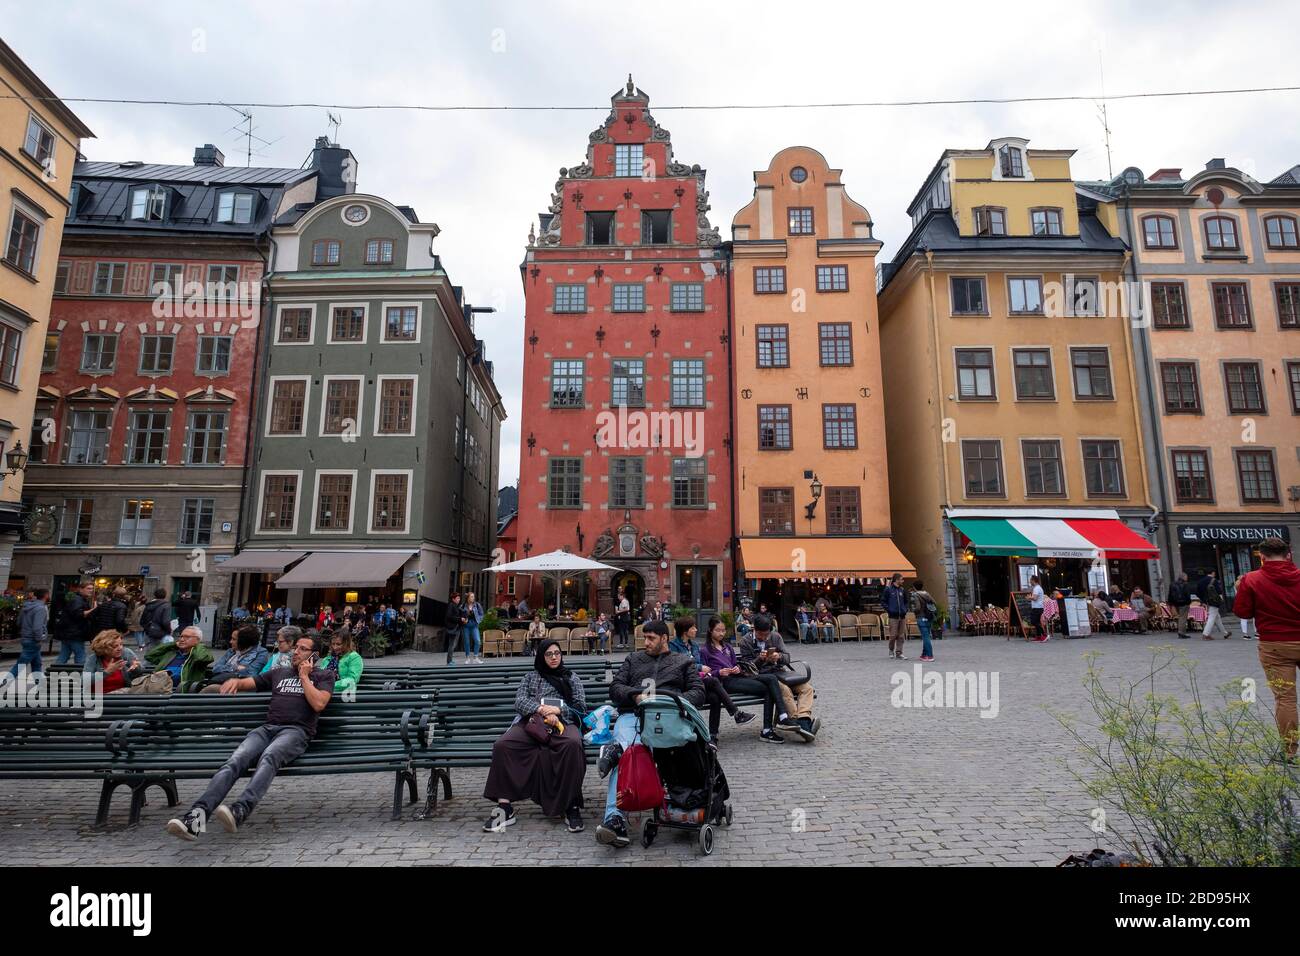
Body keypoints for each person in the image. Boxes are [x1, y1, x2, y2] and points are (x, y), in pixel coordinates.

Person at [165, 632, 335, 840]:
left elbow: (319, 703)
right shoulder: (279, 672)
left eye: (303, 649)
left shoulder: (323, 676)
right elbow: (251, 682)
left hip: (296, 732)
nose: (296, 652)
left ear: (314, 656)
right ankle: (195, 820)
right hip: (267, 729)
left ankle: (240, 810)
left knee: (269, 757)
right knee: (234, 761)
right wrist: (236, 682)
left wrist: (304, 677)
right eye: (296, 647)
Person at [594, 619, 704, 849]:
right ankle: (615, 820)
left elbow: (698, 692)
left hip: (666, 721)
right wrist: (634, 696)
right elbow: (615, 688)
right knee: (627, 753)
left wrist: (672, 703)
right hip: (633, 715)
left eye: (651, 638)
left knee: (627, 752)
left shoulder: (683, 661)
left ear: (665, 638)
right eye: (644, 637)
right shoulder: (634, 659)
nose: (646, 642)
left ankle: (615, 752)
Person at [482, 639, 587, 833]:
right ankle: (504, 807)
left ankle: (571, 805)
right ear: (541, 657)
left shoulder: (571, 678)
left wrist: (557, 712)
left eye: (557, 653)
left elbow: (580, 706)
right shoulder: (531, 677)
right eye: (549, 654)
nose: (554, 657)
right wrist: (540, 709)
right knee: (503, 745)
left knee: (573, 744)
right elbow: (520, 701)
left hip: (563, 724)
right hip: (532, 723)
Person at [1234, 538, 1300, 760]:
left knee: (1285, 699)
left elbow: (1243, 612)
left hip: (1275, 645)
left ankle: (1290, 751)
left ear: (1261, 557)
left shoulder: (1252, 579)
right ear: (1288, 554)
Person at [700, 615, 787, 742]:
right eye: (718, 630)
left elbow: (737, 665)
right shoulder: (705, 650)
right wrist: (719, 672)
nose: (721, 633)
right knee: (769, 686)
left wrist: (737, 669)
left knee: (770, 681)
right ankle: (775, 723)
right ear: (710, 631)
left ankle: (773, 725)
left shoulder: (728, 647)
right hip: (723, 683)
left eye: (723, 630)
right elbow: (705, 674)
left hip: (737, 678)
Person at [669, 615, 755, 742]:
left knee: (715, 697)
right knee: (714, 683)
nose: (696, 630)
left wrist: (700, 668)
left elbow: (696, 664)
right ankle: (736, 713)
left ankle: (713, 736)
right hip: (684, 684)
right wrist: (699, 667)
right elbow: (677, 665)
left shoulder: (694, 645)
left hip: (698, 682)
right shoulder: (673, 646)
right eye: (693, 628)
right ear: (685, 631)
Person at [739, 614, 818, 742]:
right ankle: (796, 722)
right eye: (761, 635)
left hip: (781, 673)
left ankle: (803, 719)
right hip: (763, 676)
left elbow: (787, 657)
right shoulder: (745, 641)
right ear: (755, 630)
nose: (765, 638)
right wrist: (760, 659)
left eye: (767, 635)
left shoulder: (776, 637)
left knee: (807, 688)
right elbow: (748, 668)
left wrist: (778, 657)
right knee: (785, 690)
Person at [145, 625, 214, 690]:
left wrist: (198, 645)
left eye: (187, 637)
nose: (182, 639)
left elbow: (201, 658)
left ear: (197, 640)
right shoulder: (171, 654)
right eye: (181, 636)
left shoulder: (199, 655)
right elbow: (149, 656)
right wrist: (173, 644)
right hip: (158, 688)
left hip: (180, 692)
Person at [203, 624, 269, 689]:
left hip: (241, 688)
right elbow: (216, 668)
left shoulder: (261, 653)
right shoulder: (231, 651)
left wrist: (227, 669)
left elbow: (250, 673)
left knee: (209, 689)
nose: (230, 641)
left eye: (234, 639)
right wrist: (235, 667)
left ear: (244, 641)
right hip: (220, 681)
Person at [7, 587, 50, 682]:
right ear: (46, 595)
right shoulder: (40, 608)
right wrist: (39, 639)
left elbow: (19, 622)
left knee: (37, 663)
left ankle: (38, 684)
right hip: (33, 640)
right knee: (20, 665)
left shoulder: (26, 607)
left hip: (25, 637)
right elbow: (37, 627)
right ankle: (4, 681)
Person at [84, 629, 142, 694]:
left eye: (121, 644)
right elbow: (85, 680)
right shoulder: (93, 658)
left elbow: (138, 675)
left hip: (123, 697)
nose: (120, 648)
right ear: (104, 648)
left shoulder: (126, 653)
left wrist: (136, 669)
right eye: (115, 646)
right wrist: (106, 672)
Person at [55, 581, 96, 666]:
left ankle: (54, 675)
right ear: (81, 589)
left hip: (69, 633)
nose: (91, 590)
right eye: (88, 588)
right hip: (75, 633)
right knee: (81, 657)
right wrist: (94, 609)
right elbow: (79, 614)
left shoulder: (79, 599)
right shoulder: (77, 599)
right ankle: (82, 676)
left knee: (64, 655)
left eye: (92, 589)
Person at [1197, 569, 1232, 639]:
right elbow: (1219, 591)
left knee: (1217, 617)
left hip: (1207, 601)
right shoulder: (1213, 580)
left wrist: (1203, 601)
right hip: (1214, 601)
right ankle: (1206, 634)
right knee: (1212, 617)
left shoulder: (1200, 581)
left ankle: (1225, 633)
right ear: (1212, 573)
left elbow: (1198, 593)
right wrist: (1221, 600)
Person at [884, 573, 910, 658]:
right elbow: (883, 602)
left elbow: (906, 602)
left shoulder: (902, 590)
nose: (903, 581)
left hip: (902, 616)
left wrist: (905, 609)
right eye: (901, 579)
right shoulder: (888, 590)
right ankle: (891, 650)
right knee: (893, 635)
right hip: (893, 616)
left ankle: (899, 653)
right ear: (897, 580)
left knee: (901, 635)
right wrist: (889, 610)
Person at [911, 580, 937, 662]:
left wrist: (913, 610)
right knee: (926, 635)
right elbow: (934, 602)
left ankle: (929, 655)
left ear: (914, 587)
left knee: (926, 637)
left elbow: (918, 607)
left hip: (921, 617)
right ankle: (924, 654)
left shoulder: (915, 595)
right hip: (928, 617)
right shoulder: (926, 593)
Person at [1167, 572, 1193, 639]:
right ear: (1183, 577)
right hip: (1184, 603)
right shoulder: (1185, 584)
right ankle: (1181, 633)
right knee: (1183, 618)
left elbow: (1170, 595)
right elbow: (1187, 594)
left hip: (1175, 603)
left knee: (1180, 617)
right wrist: (1189, 602)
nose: (1187, 578)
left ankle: (1181, 632)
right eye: (1186, 577)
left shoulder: (1172, 584)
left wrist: (1170, 603)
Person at [443, 592, 465, 666]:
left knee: (453, 645)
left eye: (459, 598)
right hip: (453, 628)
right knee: (452, 645)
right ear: (453, 599)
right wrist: (460, 619)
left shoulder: (455, 606)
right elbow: (449, 616)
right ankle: (449, 661)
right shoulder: (451, 605)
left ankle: (450, 660)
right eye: (457, 598)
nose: (459, 599)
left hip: (456, 627)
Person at [463, 591, 484, 664]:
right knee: (467, 642)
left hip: (474, 625)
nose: (473, 598)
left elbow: (481, 614)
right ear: (468, 598)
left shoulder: (477, 605)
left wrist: (479, 620)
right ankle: (468, 658)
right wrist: (462, 619)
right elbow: (459, 614)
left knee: (477, 641)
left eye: (473, 596)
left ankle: (475, 657)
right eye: (471, 596)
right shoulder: (463, 606)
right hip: (466, 626)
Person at [1028, 575, 1048, 643]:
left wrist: (1029, 598)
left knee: (1034, 621)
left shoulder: (1036, 588)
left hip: (1037, 607)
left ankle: (1044, 635)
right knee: (1037, 622)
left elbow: (1035, 598)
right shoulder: (1038, 588)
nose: (1030, 581)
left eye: (1030, 580)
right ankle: (1039, 636)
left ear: (1033, 580)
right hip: (1039, 607)